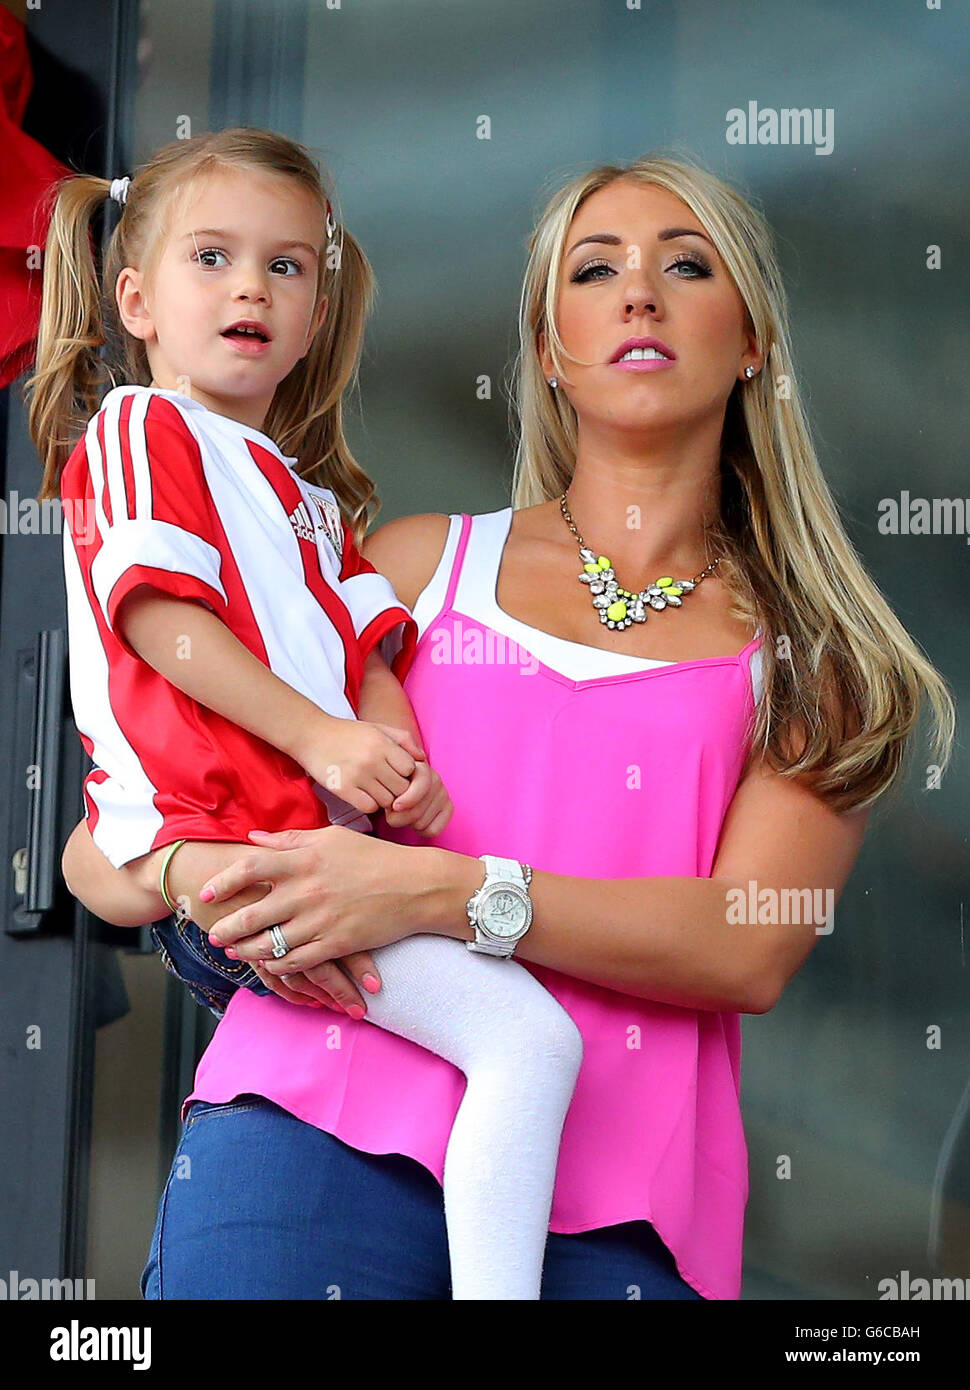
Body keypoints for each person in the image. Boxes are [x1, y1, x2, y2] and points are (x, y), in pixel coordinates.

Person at [58, 150, 954, 1302]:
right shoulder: (416, 566)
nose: (637, 293)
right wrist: (186, 867)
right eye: (594, 271)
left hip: (622, 1209)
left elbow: (744, 943)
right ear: (546, 349)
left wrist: (438, 892)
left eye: (684, 265)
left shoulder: (818, 661)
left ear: (752, 343)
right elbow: (111, 842)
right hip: (310, 1131)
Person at [29, 127, 589, 1302]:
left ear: (318, 307)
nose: (252, 287)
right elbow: (158, 623)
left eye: (287, 268)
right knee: (529, 1043)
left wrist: (394, 758)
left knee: (513, 1040)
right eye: (214, 258)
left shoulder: (307, 502)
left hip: (300, 857)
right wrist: (317, 737)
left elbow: (370, 652)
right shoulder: (144, 430)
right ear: (135, 298)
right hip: (235, 849)